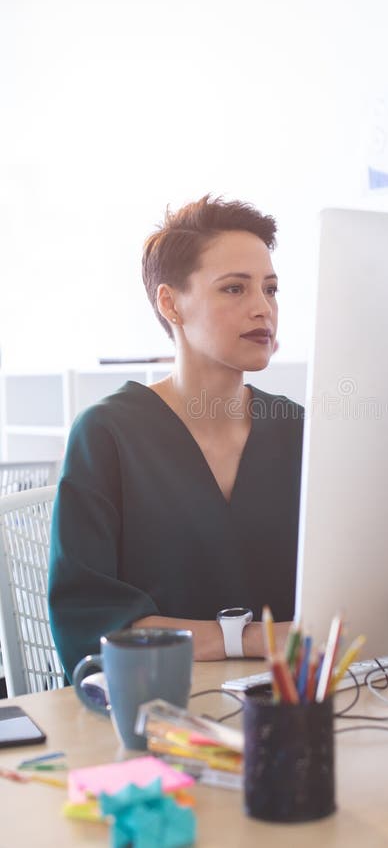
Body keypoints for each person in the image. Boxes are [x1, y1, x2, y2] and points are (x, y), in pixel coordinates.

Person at [48, 195, 303, 680]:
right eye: (234, 289)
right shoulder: (106, 435)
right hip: (157, 701)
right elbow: (91, 624)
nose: (262, 309)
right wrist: (251, 638)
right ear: (171, 304)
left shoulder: (299, 430)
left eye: (270, 289)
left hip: (292, 697)